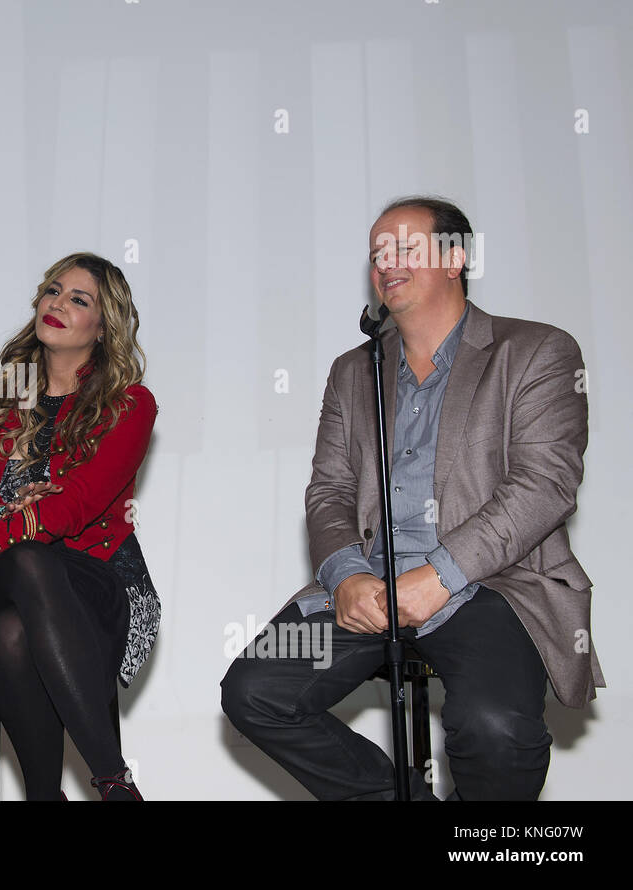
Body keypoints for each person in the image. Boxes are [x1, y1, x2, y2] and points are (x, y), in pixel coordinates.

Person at [221, 196, 604, 800]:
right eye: (377, 252)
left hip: (493, 583)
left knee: (496, 729)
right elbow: (329, 491)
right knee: (254, 690)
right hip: (369, 583)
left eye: (403, 247)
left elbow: (544, 485)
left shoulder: (535, 351)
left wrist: (439, 575)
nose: (385, 262)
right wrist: (346, 576)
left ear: (454, 258)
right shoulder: (354, 370)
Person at [0, 252, 160, 800]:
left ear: (103, 325)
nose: (57, 304)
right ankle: (115, 783)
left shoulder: (129, 404)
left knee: (19, 609)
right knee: (20, 569)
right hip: (8, 574)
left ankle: (78, 787)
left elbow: (80, 506)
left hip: (96, 581)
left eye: (78, 299)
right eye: (53, 291)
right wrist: (7, 522)